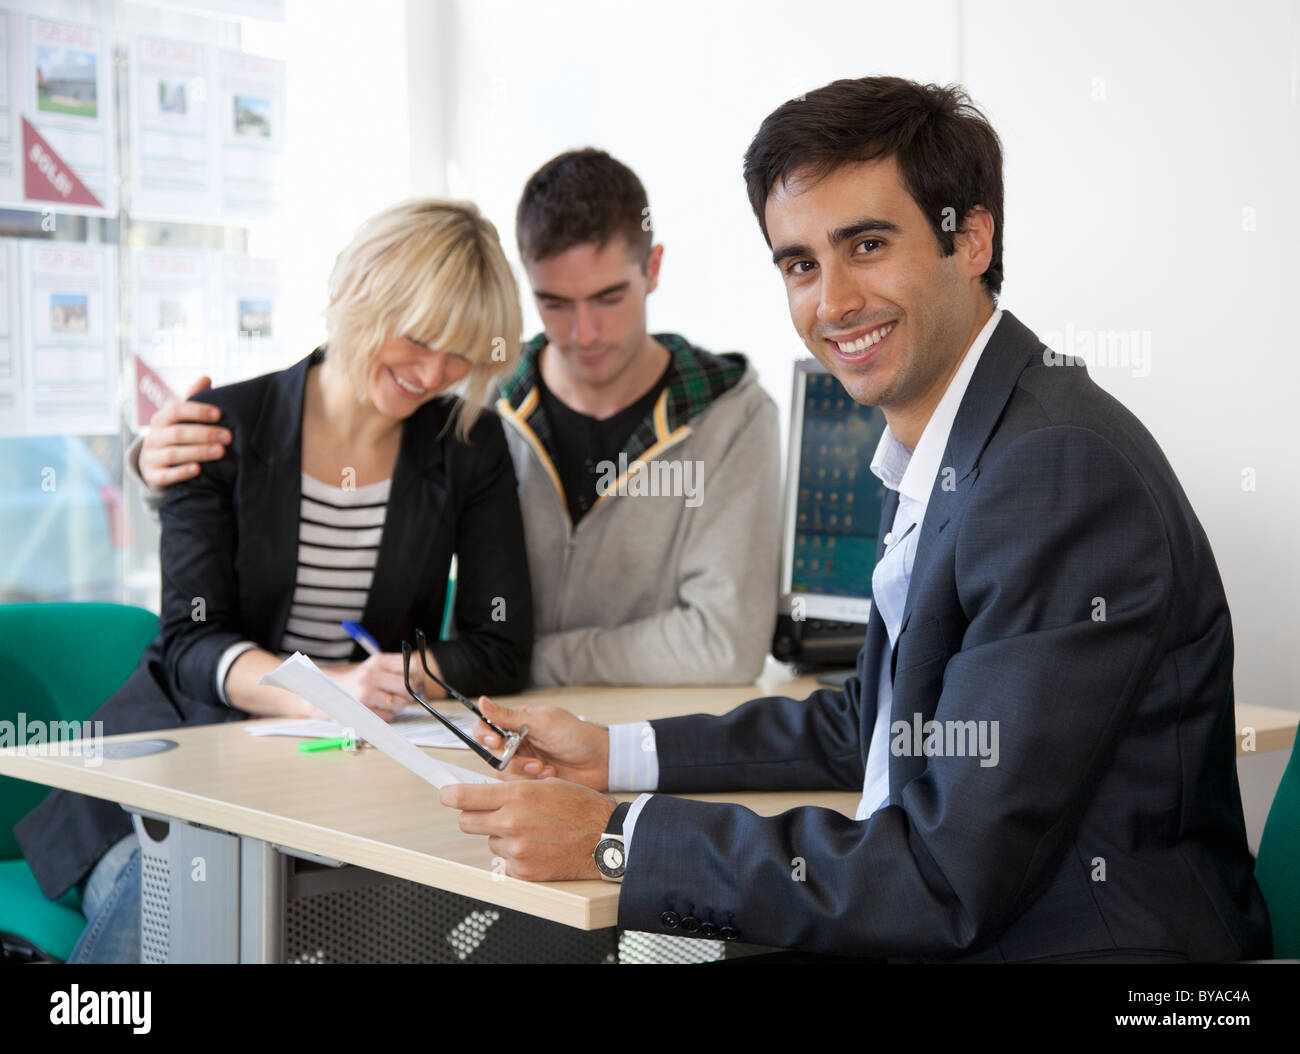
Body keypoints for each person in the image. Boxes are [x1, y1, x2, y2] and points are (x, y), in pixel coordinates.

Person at [437, 77, 1273, 963]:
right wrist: (614, 755)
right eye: (800, 264)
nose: (831, 302)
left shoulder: (1056, 472)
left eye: (866, 245)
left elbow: (943, 878)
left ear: (971, 239)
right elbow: (875, 723)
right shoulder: (954, 430)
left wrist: (618, 836)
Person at [15, 199, 534, 962]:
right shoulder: (223, 425)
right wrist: (330, 690)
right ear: (360, 297)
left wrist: (396, 675)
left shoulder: (468, 441)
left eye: (460, 355)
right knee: (181, 915)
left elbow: (500, 644)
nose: (432, 373)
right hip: (179, 761)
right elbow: (192, 641)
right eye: (419, 339)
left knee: (404, 926)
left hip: (343, 792)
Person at [133, 149, 783, 689]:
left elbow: (502, 647)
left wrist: (459, 668)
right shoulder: (488, 396)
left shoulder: (472, 426)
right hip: (214, 741)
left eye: (609, 297)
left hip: (469, 731)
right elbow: (193, 636)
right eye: (555, 303)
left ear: (653, 270)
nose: (582, 333)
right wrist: (142, 460)